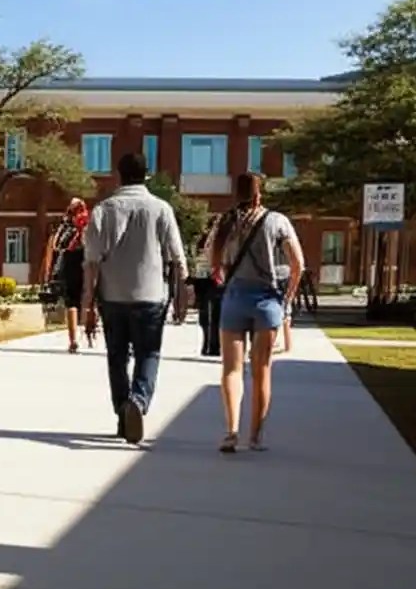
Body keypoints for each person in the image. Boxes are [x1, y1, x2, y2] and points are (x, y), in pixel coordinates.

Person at [82, 152, 187, 444]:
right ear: (146, 175)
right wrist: (181, 298)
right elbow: (178, 258)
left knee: (116, 358)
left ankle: (122, 413)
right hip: (151, 295)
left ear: (119, 174)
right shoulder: (161, 209)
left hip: (112, 297)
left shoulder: (103, 210)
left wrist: (87, 306)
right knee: (148, 354)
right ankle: (137, 403)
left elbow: (91, 262)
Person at [211, 173, 304, 453]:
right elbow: (298, 262)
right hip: (266, 299)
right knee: (261, 370)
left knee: (231, 368)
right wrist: (287, 297)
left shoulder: (225, 221)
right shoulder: (277, 221)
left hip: (235, 297)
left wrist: (225, 272)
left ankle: (231, 431)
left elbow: (213, 262)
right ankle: (255, 436)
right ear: (259, 194)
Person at [51, 198, 90, 353]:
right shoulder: (90, 223)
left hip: (70, 263)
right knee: (89, 299)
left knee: (71, 303)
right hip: (88, 263)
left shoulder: (66, 226)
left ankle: (73, 341)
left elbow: (56, 245)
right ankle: (89, 332)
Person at [187, 215, 223, 357]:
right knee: (207, 313)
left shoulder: (218, 240)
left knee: (213, 314)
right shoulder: (203, 239)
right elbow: (197, 259)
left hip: (210, 279)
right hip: (205, 279)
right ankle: (209, 344)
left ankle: (213, 345)